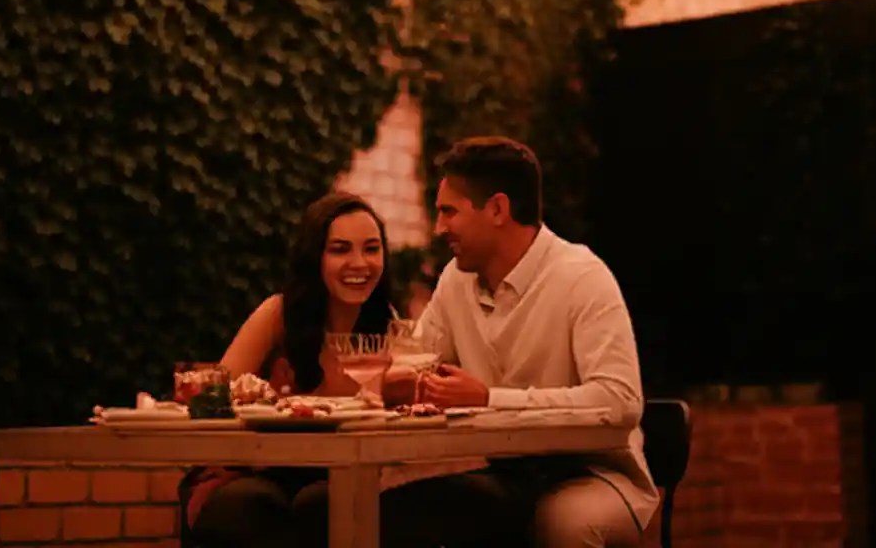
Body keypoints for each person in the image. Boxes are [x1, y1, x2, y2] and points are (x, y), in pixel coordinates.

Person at [384, 136, 658, 547]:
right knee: (402, 513)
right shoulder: (455, 281)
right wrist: (397, 382)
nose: (439, 228)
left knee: (565, 524)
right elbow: (420, 362)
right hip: (510, 474)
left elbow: (619, 401)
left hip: (598, 474)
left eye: (448, 212)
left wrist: (488, 399)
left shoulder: (582, 277)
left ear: (497, 209)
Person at [182, 191, 395, 548]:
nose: (360, 263)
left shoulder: (387, 328)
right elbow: (209, 395)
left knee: (328, 503)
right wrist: (245, 394)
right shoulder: (278, 314)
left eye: (371, 249)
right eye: (340, 249)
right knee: (248, 507)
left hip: (339, 474)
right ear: (315, 258)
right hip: (252, 467)